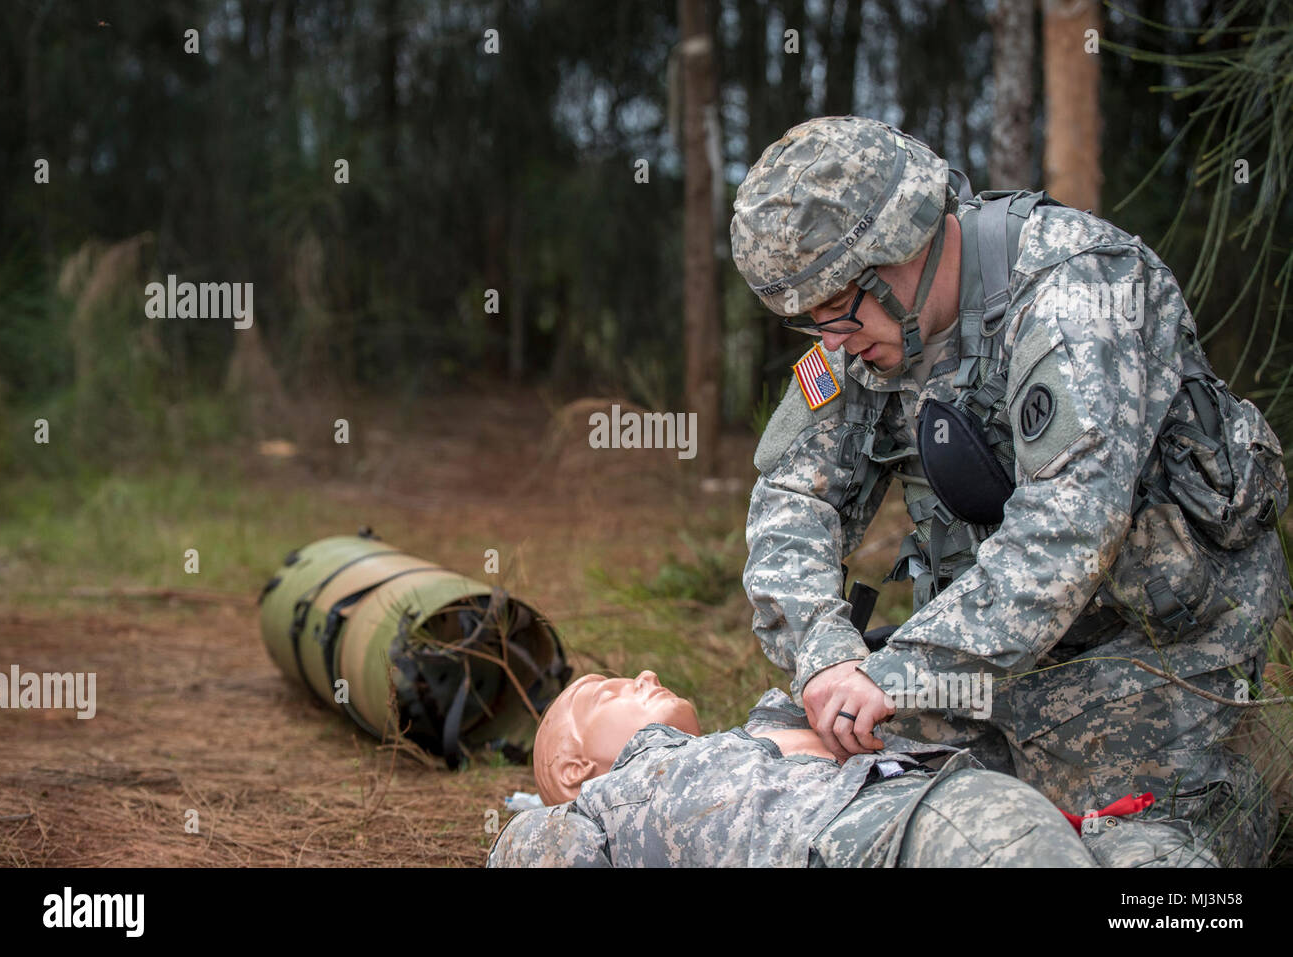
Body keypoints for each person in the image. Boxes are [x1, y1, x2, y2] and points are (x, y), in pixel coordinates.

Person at [730, 115, 1290, 867]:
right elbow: (794, 502)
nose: (827, 338)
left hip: (1158, 661)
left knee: (1144, 858)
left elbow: (1067, 531)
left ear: (900, 248)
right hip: (988, 668)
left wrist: (895, 672)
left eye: (833, 304)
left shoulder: (1079, 288)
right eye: (805, 318)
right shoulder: (859, 339)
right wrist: (828, 658)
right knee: (778, 757)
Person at [485, 669, 1180, 868]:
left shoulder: (776, 717)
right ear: (576, 769)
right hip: (898, 836)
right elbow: (532, 854)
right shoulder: (606, 802)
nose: (643, 671)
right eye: (606, 690)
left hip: (983, 804)